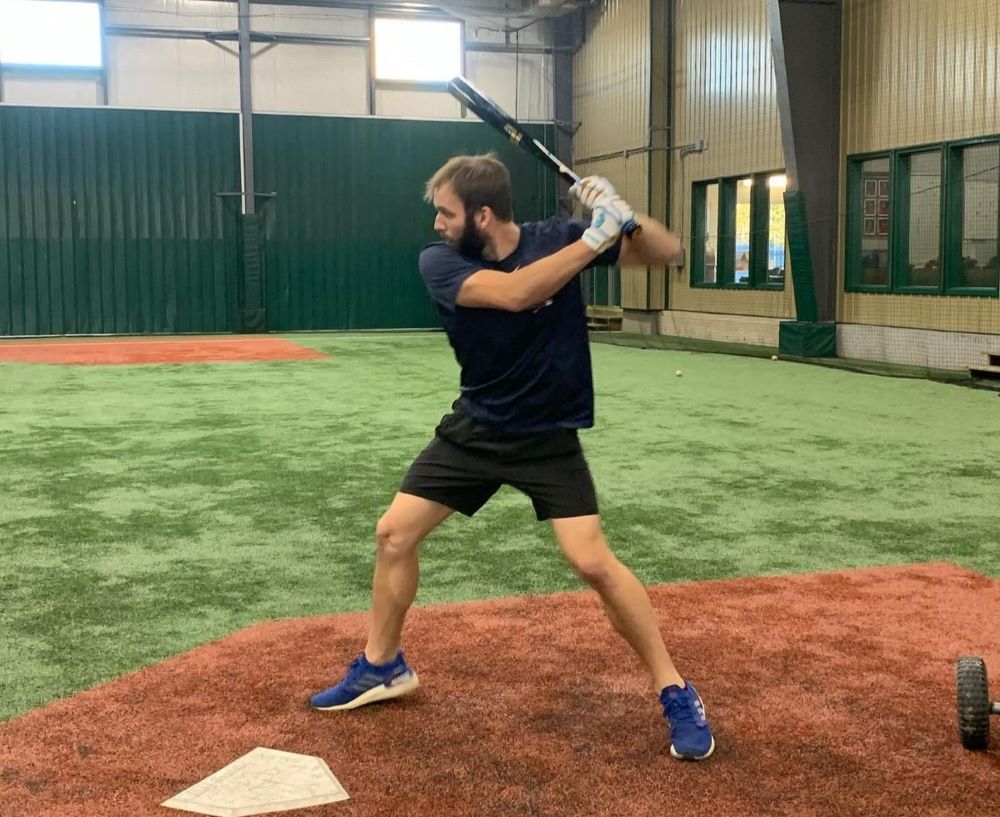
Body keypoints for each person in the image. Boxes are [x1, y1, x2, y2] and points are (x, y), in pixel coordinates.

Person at [310, 153, 715, 761]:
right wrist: (597, 237)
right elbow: (518, 293)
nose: (438, 225)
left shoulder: (558, 237)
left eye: (447, 213)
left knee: (594, 563)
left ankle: (676, 689)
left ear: (483, 214)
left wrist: (623, 214)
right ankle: (381, 666)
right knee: (394, 534)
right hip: (477, 430)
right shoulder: (442, 262)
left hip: (548, 438)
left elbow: (666, 249)